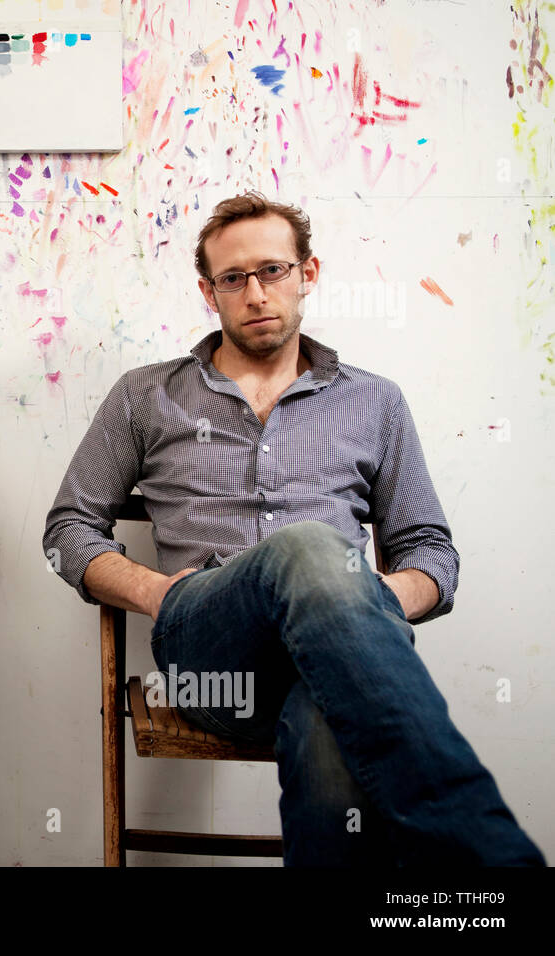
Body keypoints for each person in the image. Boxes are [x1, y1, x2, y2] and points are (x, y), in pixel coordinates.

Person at [42, 191, 545, 866]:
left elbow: (431, 552)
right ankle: (492, 861)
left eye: (274, 270)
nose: (255, 292)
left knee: (329, 717)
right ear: (208, 291)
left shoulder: (375, 402)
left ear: (308, 273)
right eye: (234, 278)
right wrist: (155, 592)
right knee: (311, 548)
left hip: (340, 664)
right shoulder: (144, 395)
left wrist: (359, 606)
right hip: (211, 654)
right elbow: (68, 529)